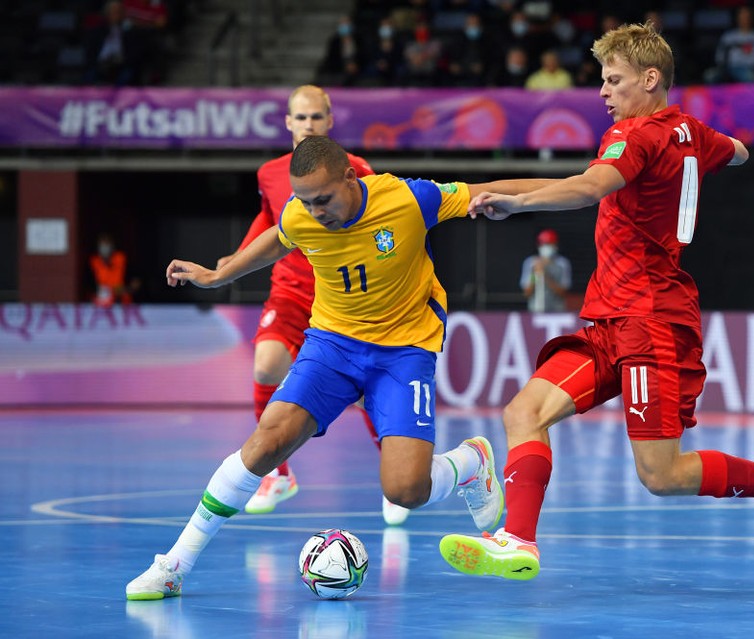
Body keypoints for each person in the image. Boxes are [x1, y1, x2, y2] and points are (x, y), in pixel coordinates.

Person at [438, 21, 754, 581]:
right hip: (610, 319)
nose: (603, 92)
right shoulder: (690, 132)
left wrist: (514, 207)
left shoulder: (637, 135)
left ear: (650, 79)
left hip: (650, 320)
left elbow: (586, 188)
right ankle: (518, 540)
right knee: (523, 412)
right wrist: (503, 192)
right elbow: (741, 151)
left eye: (613, 80)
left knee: (662, 475)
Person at [125, 136, 553, 599]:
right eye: (305, 202)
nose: (314, 212)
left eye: (322, 199)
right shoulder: (300, 214)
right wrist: (218, 274)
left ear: (351, 177)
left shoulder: (407, 198)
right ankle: (174, 565)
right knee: (266, 442)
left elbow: (488, 188)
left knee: (405, 490)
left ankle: (471, 463)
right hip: (332, 345)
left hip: (403, 351)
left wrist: (578, 185)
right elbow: (277, 238)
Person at [216, 85, 398, 522]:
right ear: (288, 123)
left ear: (330, 122)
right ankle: (278, 475)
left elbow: (378, 224)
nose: (309, 126)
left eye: (317, 118)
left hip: (342, 293)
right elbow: (269, 221)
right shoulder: (270, 174)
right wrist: (239, 257)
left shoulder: (355, 169)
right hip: (291, 290)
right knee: (264, 366)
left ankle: (394, 477)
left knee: (363, 392)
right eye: (301, 118)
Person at [519, 228, 572, 312]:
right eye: (544, 244)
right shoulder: (530, 262)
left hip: (556, 311)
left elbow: (563, 292)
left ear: (555, 245)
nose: (546, 247)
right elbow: (527, 292)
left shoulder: (562, 263)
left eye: (549, 244)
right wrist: (535, 274)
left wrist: (545, 276)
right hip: (535, 310)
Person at [89, 232, 137, 306]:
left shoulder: (121, 259)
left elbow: (135, 283)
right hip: (101, 303)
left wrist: (125, 290)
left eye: (107, 244)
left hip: (123, 304)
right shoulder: (94, 262)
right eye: (102, 245)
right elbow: (90, 287)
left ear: (112, 246)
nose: (104, 248)